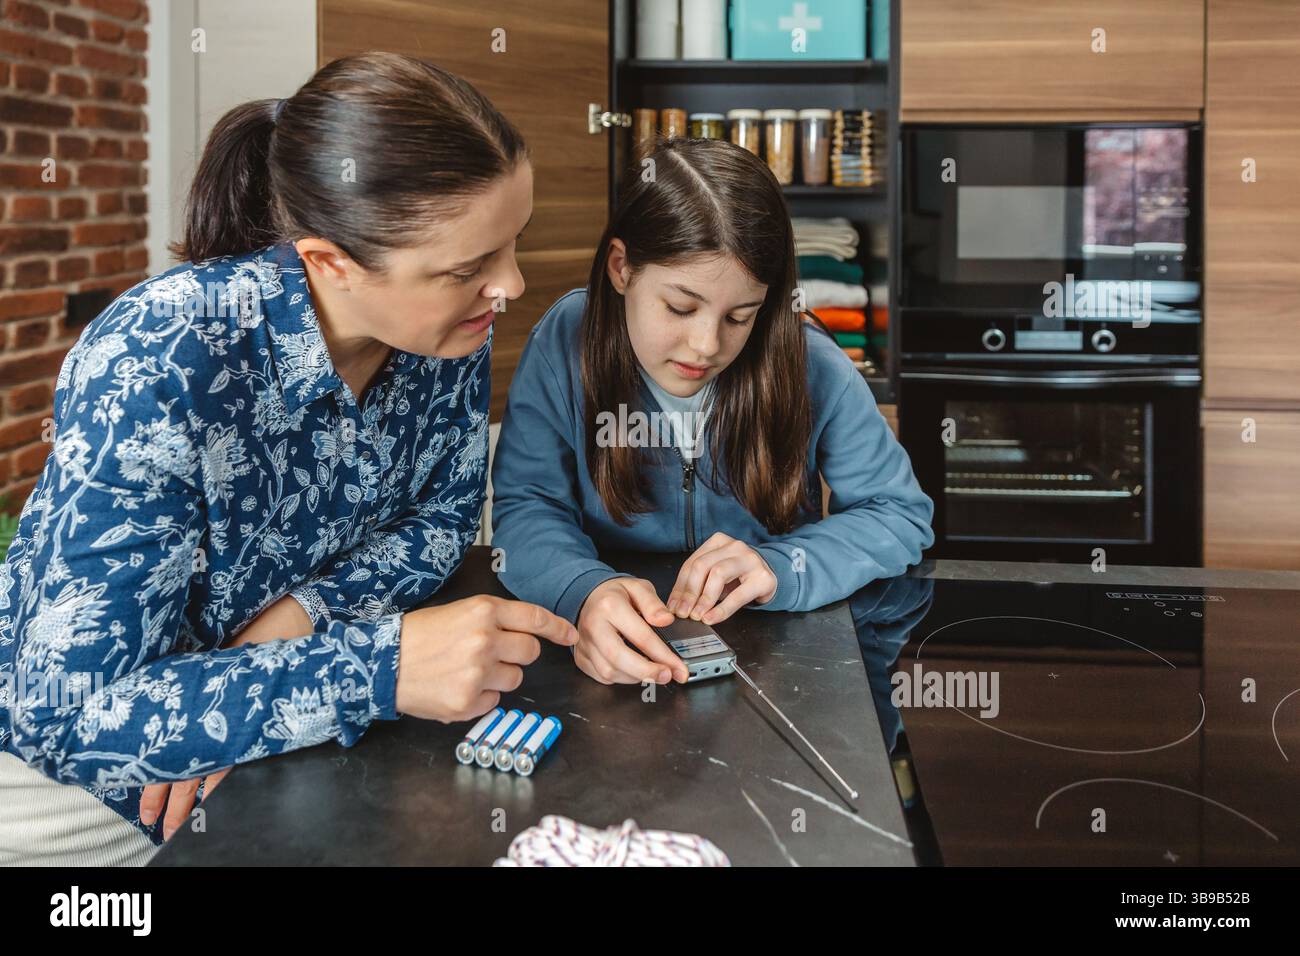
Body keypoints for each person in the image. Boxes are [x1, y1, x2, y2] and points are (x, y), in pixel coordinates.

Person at [0, 51, 575, 866]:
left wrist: (287, 633)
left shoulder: (448, 328)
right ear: (328, 260)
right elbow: (70, 720)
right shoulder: (161, 353)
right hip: (87, 800)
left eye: (510, 244)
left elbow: (442, 522)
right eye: (468, 267)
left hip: (282, 749)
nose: (509, 286)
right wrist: (380, 667)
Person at [490, 137, 934, 687]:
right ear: (622, 267)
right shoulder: (563, 341)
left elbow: (898, 514)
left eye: (741, 316)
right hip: (607, 643)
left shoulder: (812, 362)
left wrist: (785, 565)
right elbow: (526, 507)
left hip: (779, 655)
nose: (705, 346)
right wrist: (582, 588)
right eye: (680, 306)